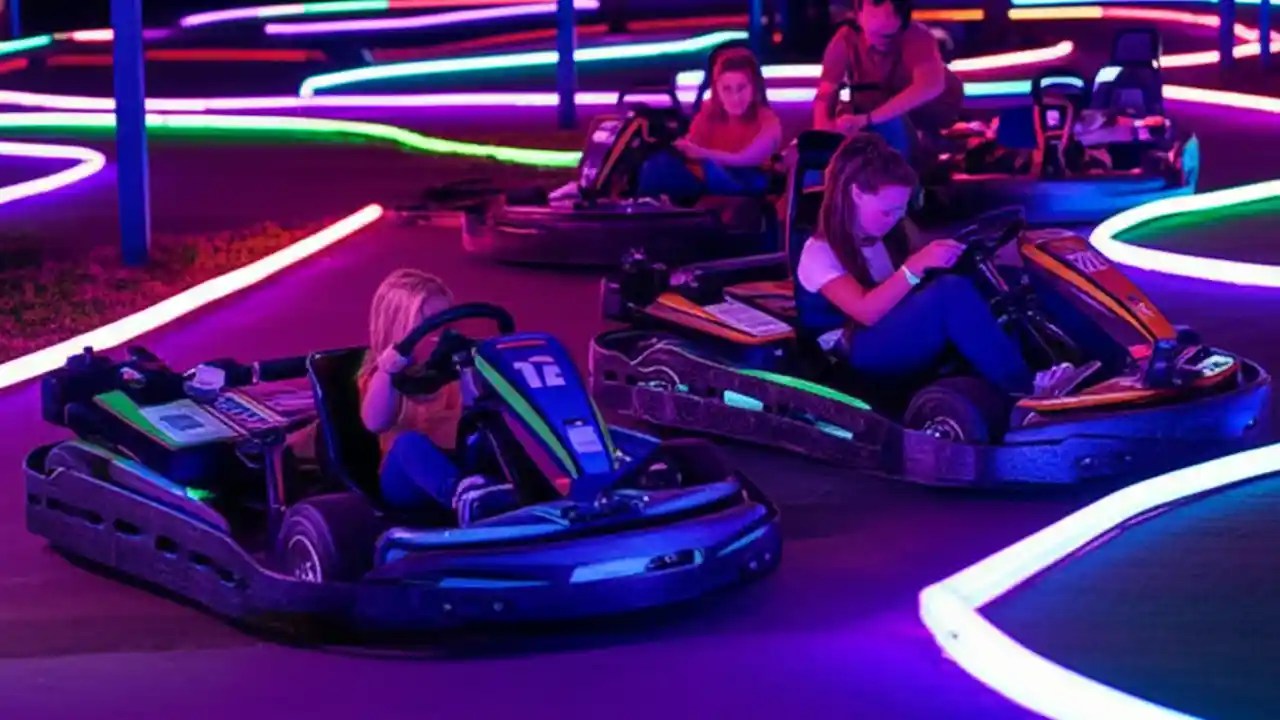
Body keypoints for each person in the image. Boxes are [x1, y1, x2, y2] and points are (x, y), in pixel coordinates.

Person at [794, 133, 1098, 398]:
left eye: (902, 209)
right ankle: (1025, 388)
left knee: (1006, 278)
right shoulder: (819, 252)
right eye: (888, 211)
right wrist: (915, 267)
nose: (897, 218)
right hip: (853, 348)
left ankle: (1087, 359)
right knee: (948, 294)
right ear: (856, 194)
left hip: (889, 328)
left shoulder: (888, 236)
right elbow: (866, 312)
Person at [359, 269, 489, 514]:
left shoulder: (453, 368)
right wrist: (389, 370)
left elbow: (476, 410)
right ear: (399, 328)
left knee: (487, 433)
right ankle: (464, 499)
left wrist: (469, 369)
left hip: (460, 463)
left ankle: (523, 491)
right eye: (431, 326)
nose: (441, 333)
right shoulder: (381, 375)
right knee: (410, 444)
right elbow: (375, 422)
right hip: (404, 482)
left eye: (447, 323)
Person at [812, 0, 964, 160]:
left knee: (893, 129)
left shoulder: (917, 36)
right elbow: (827, 95)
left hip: (927, 116)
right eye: (873, 34)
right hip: (873, 116)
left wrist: (868, 119)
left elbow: (930, 86)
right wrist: (825, 138)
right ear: (859, 15)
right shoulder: (844, 40)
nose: (880, 42)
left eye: (888, 37)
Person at [636, 49, 784, 204]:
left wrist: (703, 154)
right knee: (658, 163)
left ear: (754, 88)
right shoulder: (709, 113)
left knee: (708, 169)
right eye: (727, 89)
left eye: (742, 88)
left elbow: (749, 158)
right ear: (717, 90)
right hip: (708, 180)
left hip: (747, 186)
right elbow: (691, 148)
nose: (735, 97)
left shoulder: (767, 120)